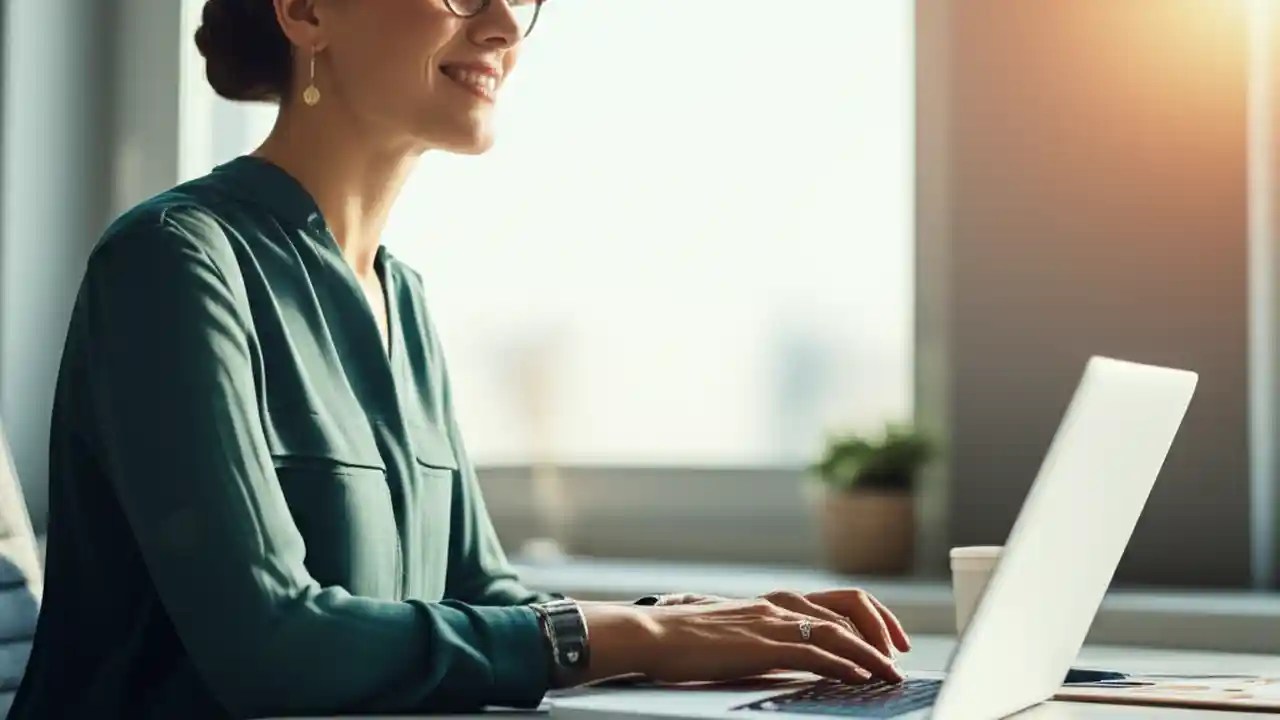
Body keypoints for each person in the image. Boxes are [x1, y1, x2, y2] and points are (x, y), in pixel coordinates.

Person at [10, 0, 912, 717]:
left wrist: (688, 626)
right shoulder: (175, 260)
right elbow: (269, 645)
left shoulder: (401, 296)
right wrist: (636, 643)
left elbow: (481, 593)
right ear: (306, 11)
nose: (505, 25)